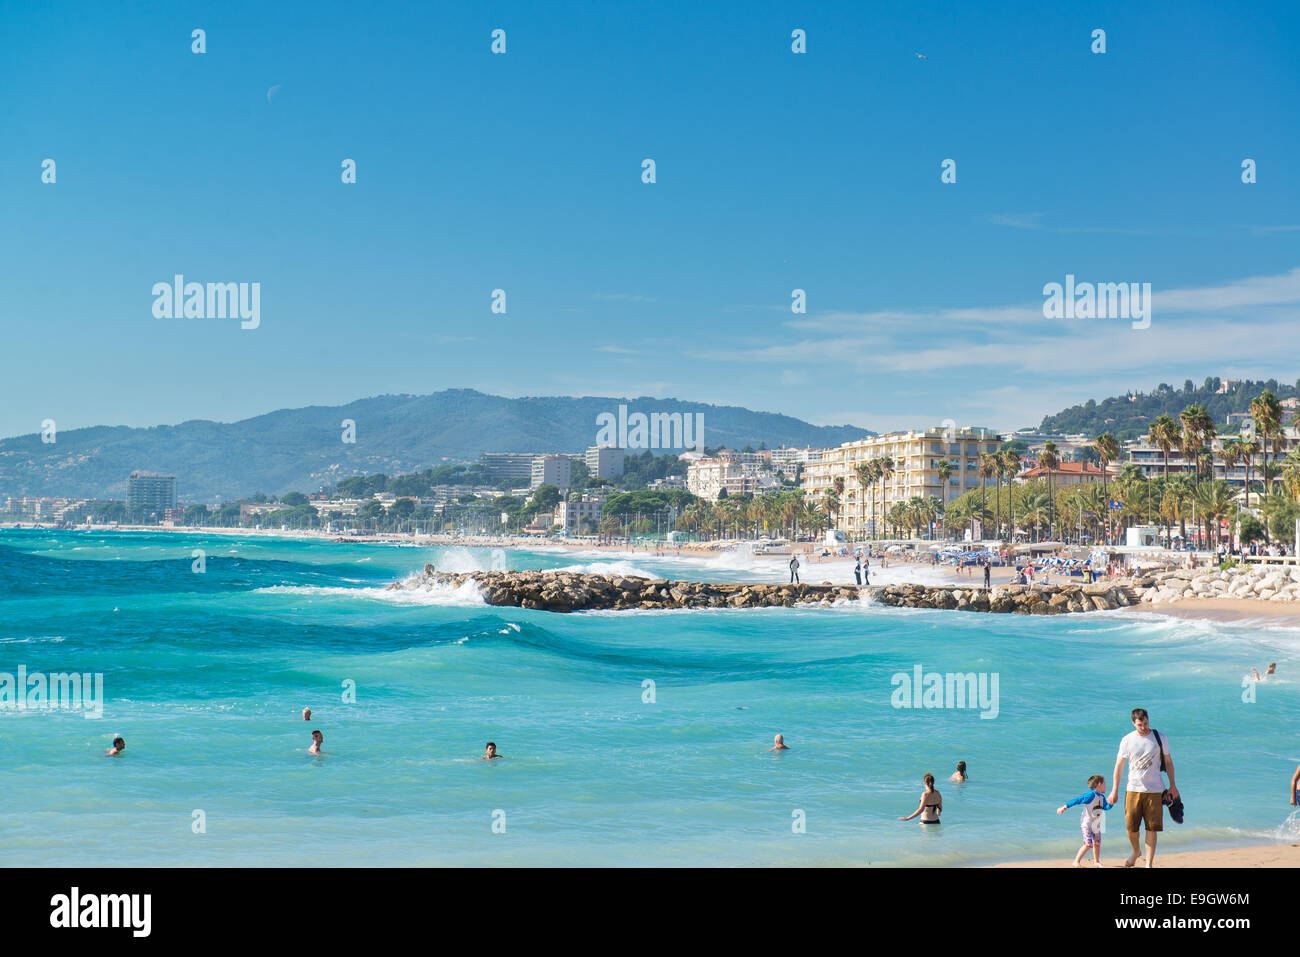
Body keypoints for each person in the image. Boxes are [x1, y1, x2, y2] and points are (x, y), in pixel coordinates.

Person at [1108, 708, 1177, 868]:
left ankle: (1149, 863)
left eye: (1145, 723)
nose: (1144, 727)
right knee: (1131, 827)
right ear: (1134, 723)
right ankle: (1136, 851)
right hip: (1133, 788)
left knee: (1152, 827)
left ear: (1148, 720)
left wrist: (1173, 785)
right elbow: (1119, 766)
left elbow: (1168, 762)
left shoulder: (1160, 738)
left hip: (1155, 789)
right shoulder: (1127, 740)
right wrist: (1114, 789)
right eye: (1140, 725)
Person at [1057, 774, 1115, 867]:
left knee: (1097, 843)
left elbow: (1106, 807)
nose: (1106, 786)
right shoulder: (1091, 795)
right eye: (1105, 784)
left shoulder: (1102, 797)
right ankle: (1076, 861)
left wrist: (1111, 803)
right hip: (1086, 823)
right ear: (1099, 784)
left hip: (1096, 824)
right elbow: (1077, 800)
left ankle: (1096, 861)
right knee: (1088, 844)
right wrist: (1064, 807)